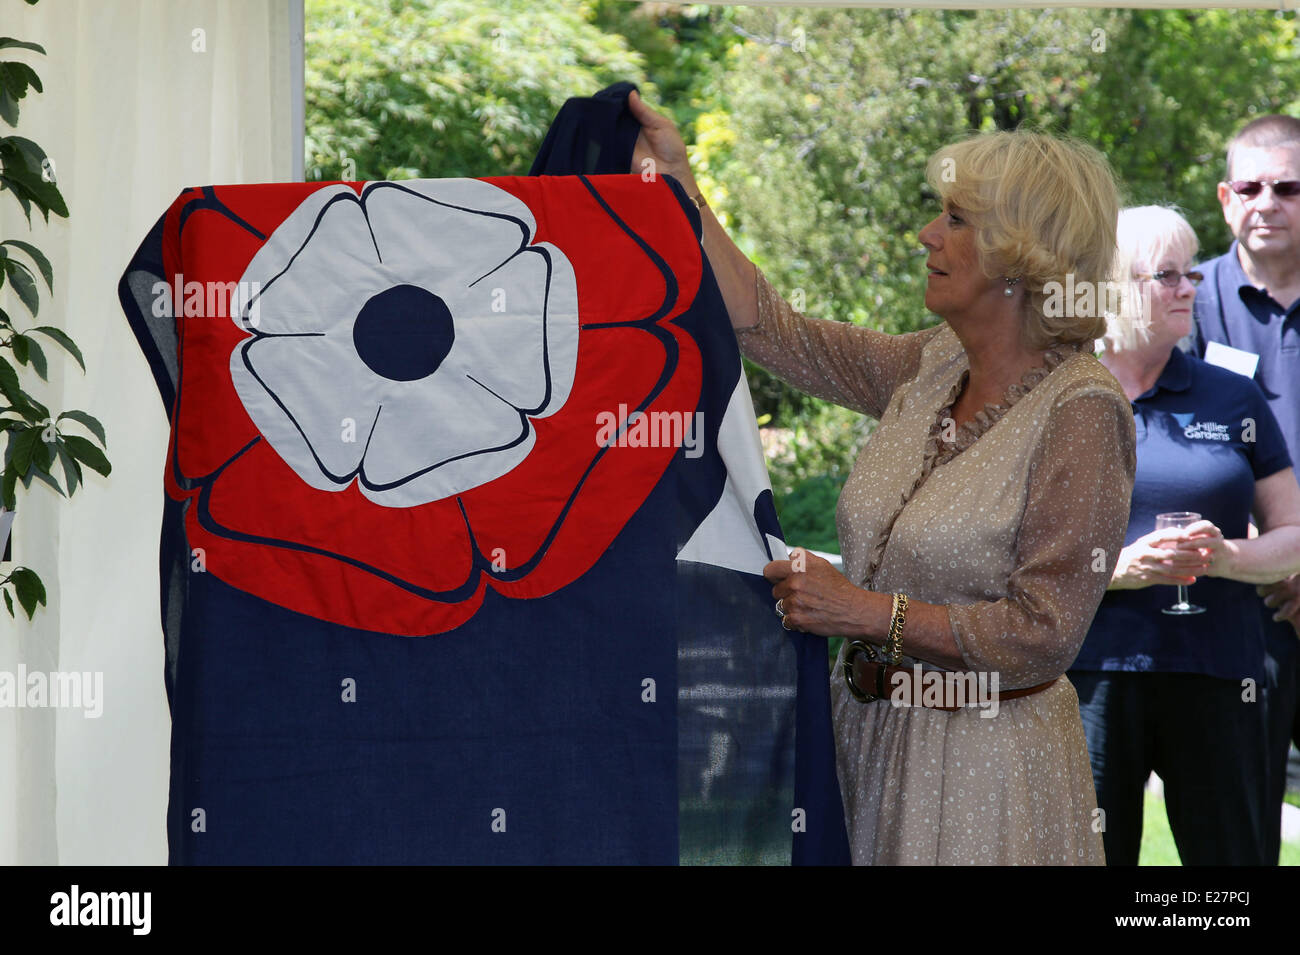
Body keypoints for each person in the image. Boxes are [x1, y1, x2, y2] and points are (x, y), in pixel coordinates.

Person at [630, 91, 1136, 864]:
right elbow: (769, 324)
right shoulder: (930, 364)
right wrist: (681, 187)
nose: (927, 234)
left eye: (957, 220)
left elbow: (1041, 635)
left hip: (985, 773)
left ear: (1022, 252)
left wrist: (868, 614)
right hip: (866, 741)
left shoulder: (1083, 411)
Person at [1068, 205, 1300, 866]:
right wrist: (1119, 566)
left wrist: (1228, 557)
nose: (1188, 289)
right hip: (1093, 674)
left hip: (1221, 672)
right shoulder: (1056, 397)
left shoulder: (1232, 397)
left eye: (1191, 274)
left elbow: (1294, 533)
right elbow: (1016, 551)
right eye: (1165, 276)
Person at [1194, 114, 1300, 863]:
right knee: (1242, 829)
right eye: (1252, 187)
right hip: (1242, 602)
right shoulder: (1181, 301)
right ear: (1227, 199)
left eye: (1289, 187)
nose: (1269, 202)